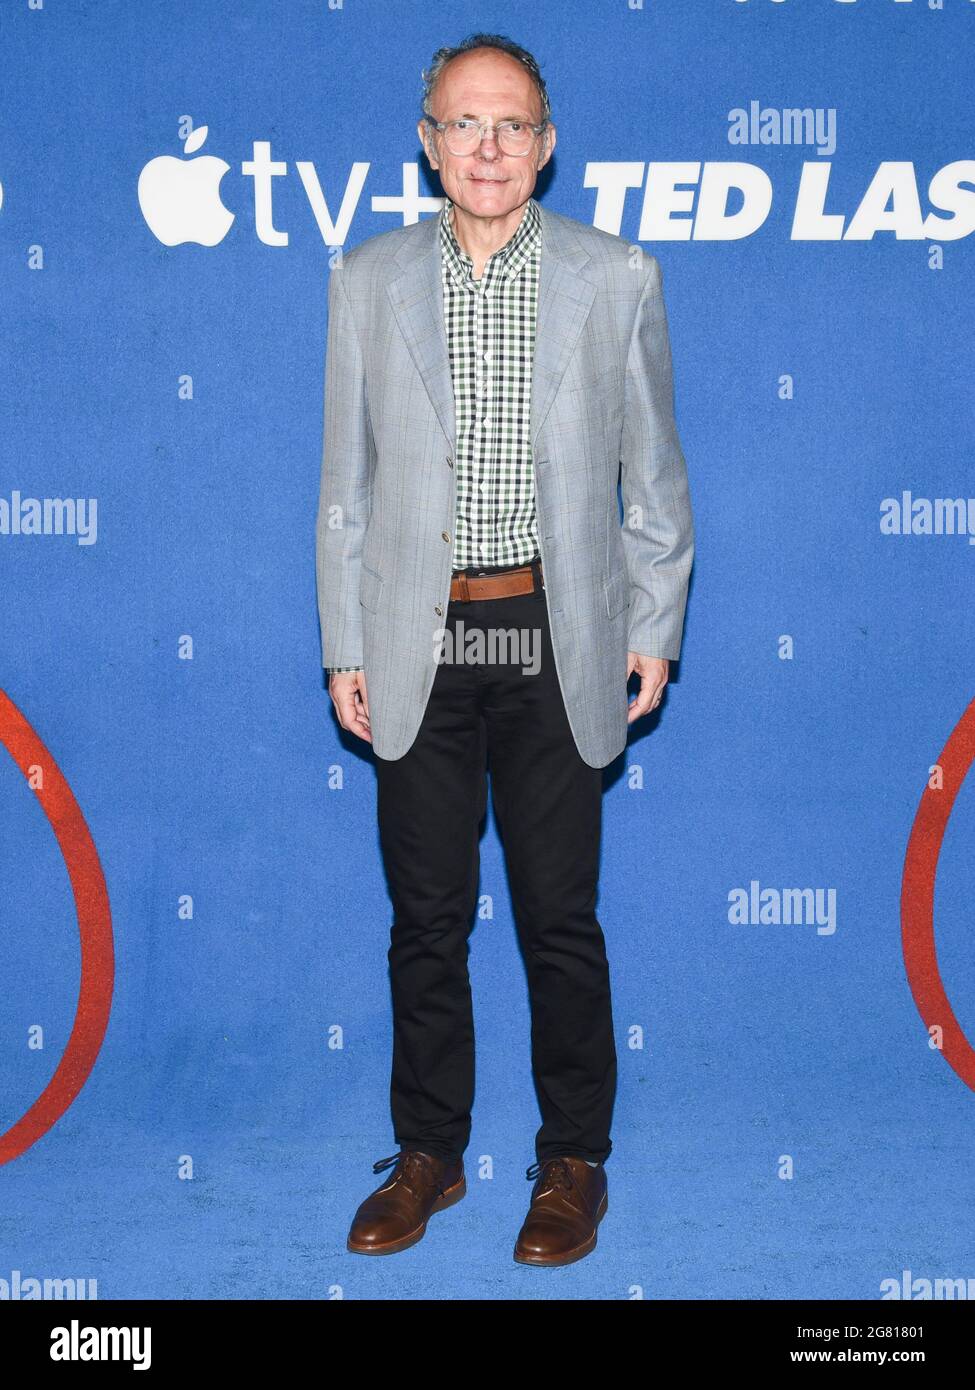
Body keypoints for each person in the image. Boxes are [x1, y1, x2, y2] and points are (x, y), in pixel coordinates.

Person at [316, 32, 694, 1267]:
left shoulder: (617, 274)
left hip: (556, 633)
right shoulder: (366, 279)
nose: (488, 147)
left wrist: (653, 625)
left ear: (546, 141)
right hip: (413, 634)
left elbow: (657, 479)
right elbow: (346, 490)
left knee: (557, 917)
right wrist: (343, 644)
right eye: (463, 124)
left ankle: (572, 1159)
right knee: (426, 917)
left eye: (512, 124)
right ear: (427, 142)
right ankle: (429, 1152)